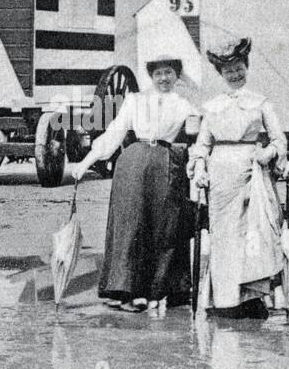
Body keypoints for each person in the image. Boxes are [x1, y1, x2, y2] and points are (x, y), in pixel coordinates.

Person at [70, 54, 197, 311]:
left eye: (169, 73)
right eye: (158, 73)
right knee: (130, 225)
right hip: (132, 164)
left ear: (177, 76)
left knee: (161, 227)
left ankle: (151, 292)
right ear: (151, 76)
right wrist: (85, 163)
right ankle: (122, 289)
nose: (164, 78)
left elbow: (199, 132)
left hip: (165, 165)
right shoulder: (136, 100)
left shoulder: (185, 105)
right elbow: (114, 132)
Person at [188, 37, 286, 318]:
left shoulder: (261, 103)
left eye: (239, 67)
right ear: (221, 74)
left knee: (251, 236)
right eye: (228, 70)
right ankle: (226, 300)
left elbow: (279, 140)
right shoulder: (213, 107)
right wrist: (200, 168)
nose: (235, 74)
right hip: (220, 178)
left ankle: (251, 296)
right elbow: (203, 145)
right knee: (224, 239)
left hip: (250, 176)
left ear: (246, 67)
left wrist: (265, 155)